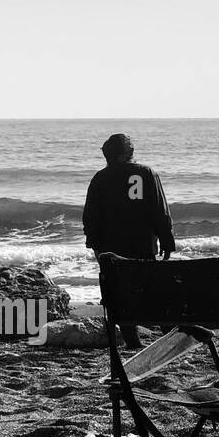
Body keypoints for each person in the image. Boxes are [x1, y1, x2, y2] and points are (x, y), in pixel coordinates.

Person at [83, 133, 176, 348]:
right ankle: (169, 337)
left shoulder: (100, 179)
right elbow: (160, 212)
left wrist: (95, 246)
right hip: (143, 247)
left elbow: (90, 218)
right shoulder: (146, 174)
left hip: (111, 249)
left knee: (119, 295)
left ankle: (133, 341)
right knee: (152, 291)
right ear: (130, 153)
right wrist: (167, 241)